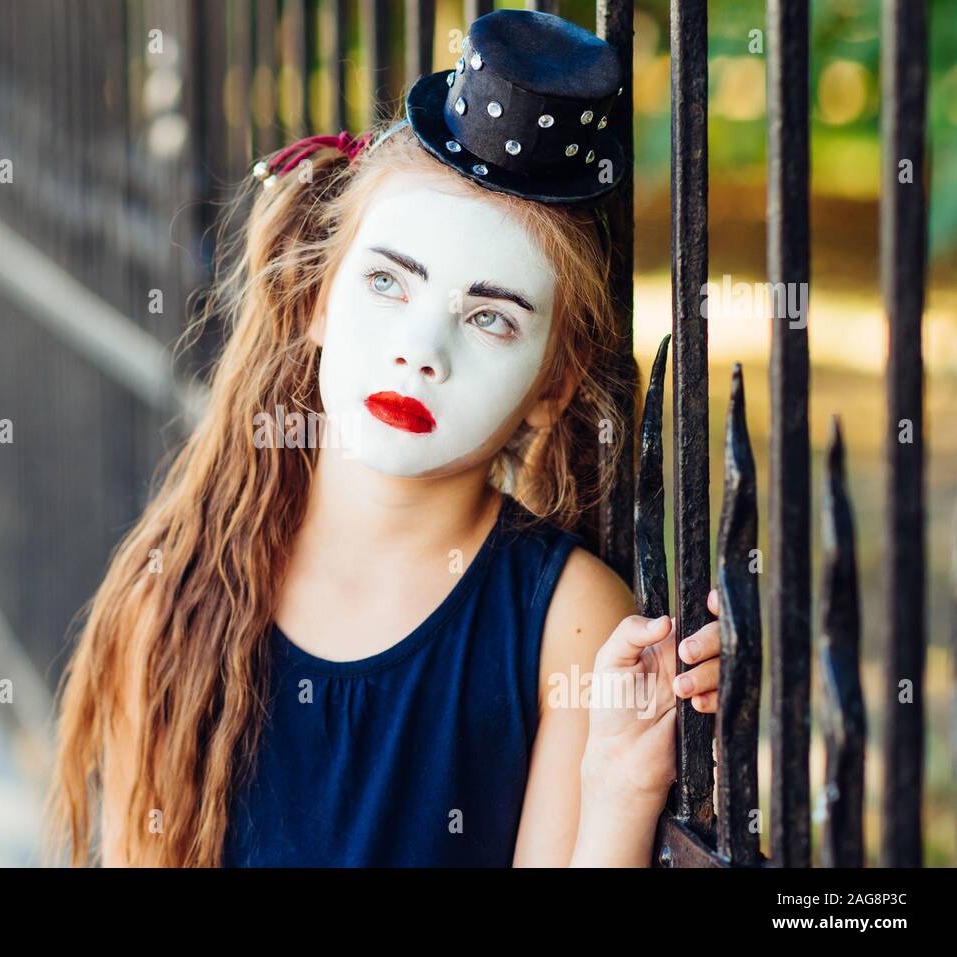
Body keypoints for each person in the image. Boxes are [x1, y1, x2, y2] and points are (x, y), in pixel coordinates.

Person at [48, 8, 722, 867]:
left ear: (551, 391)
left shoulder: (568, 623)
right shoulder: (177, 598)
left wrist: (624, 786)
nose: (421, 351)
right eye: (387, 282)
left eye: (490, 318)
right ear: (321, 298)